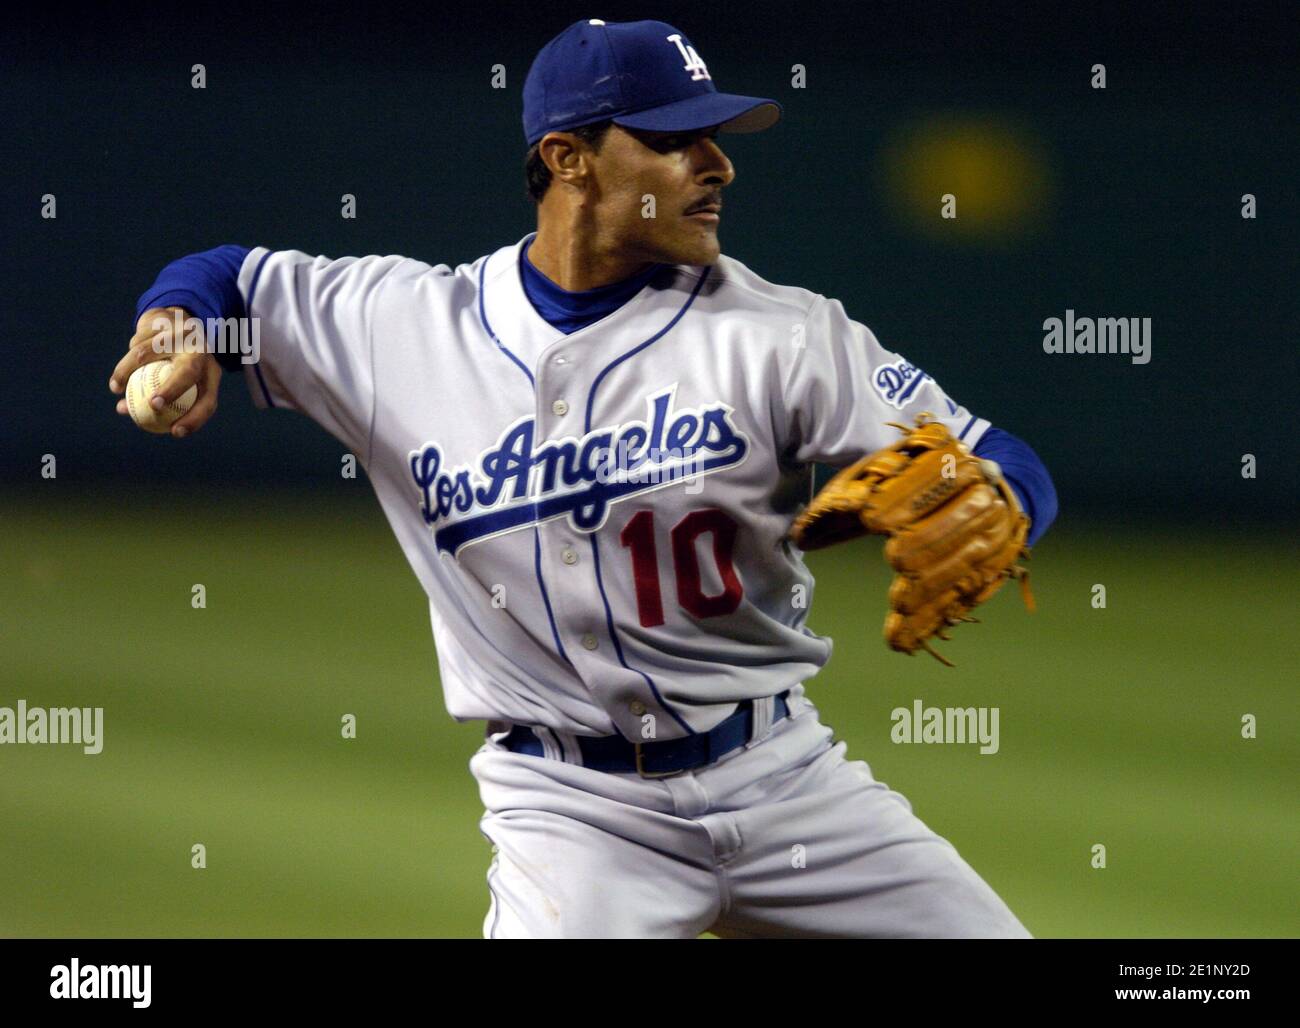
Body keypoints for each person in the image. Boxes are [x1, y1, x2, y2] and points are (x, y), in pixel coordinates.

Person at [110, 18, 1056, 938]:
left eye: (716, 140)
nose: (717, 165)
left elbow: (997, 456)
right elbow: (229, 277)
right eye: (676, 140)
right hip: (573, 816)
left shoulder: (786, 335)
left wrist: (1004, 498)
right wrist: (177, 330)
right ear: (568, 159)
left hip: (786, 781)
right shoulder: (403, 327)